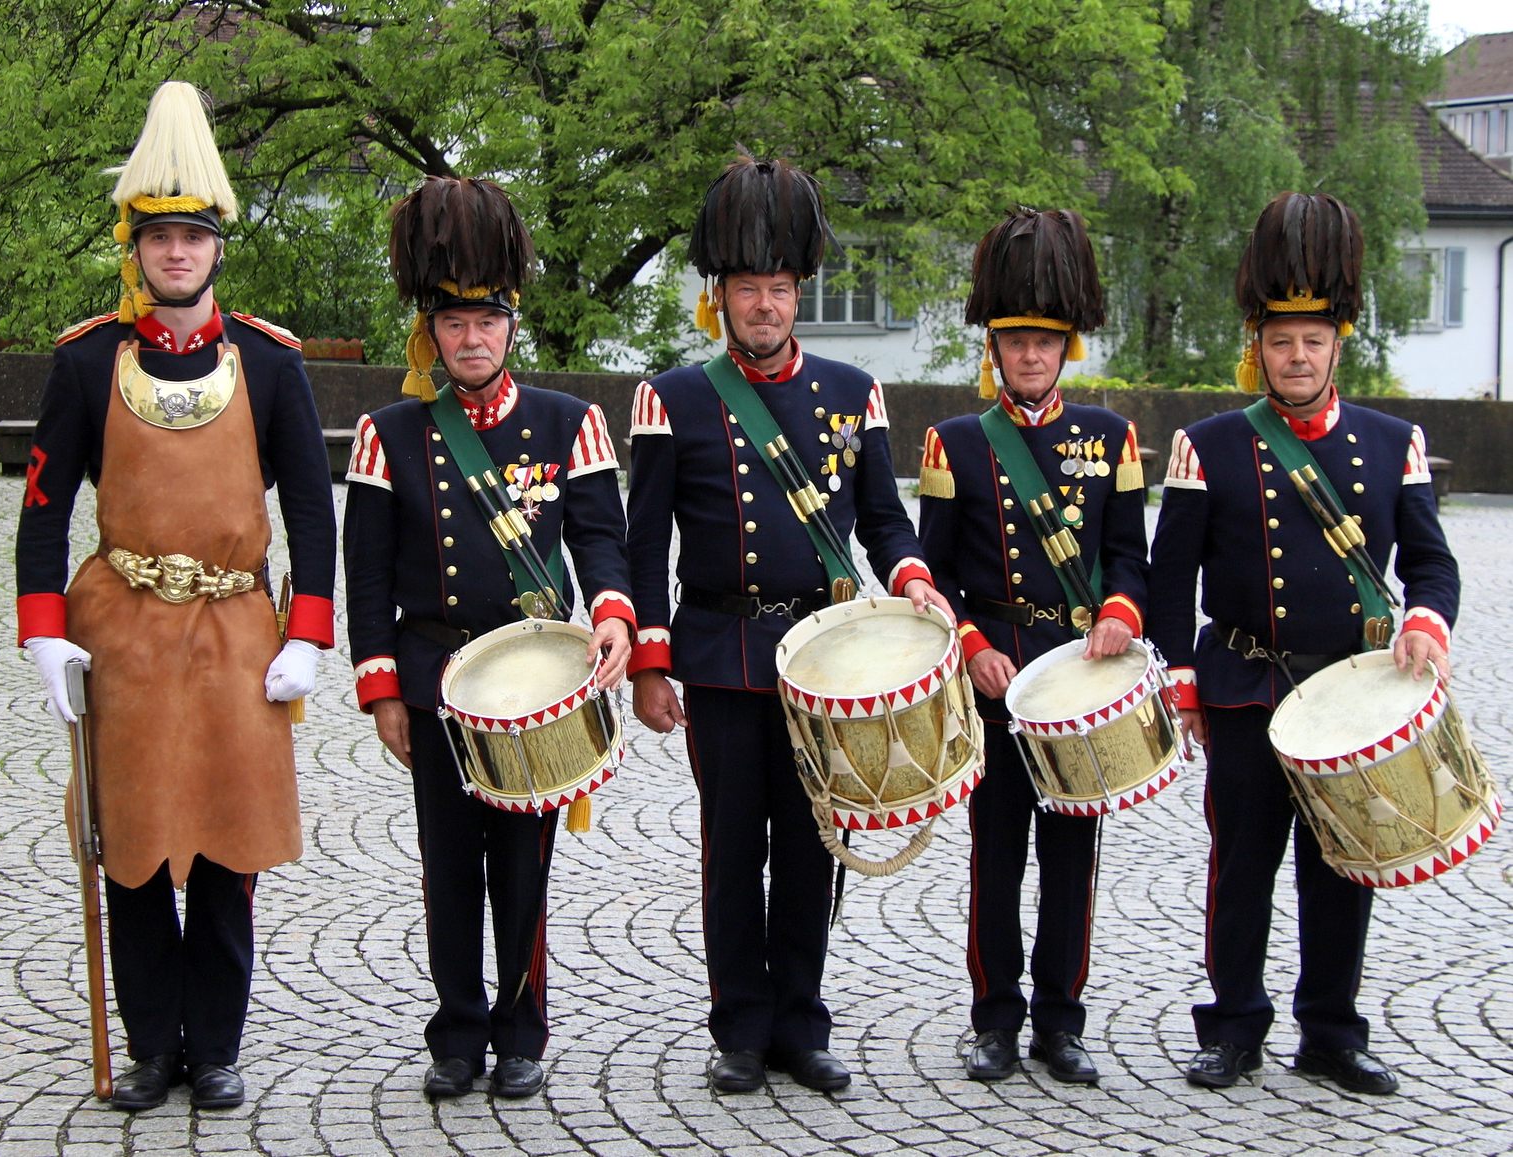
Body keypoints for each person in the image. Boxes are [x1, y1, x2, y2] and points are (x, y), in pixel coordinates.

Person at [14, 82, 337, 1112]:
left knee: (231, 843)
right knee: (134, 842)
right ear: (136, 248)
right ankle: (154, 1044)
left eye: (193, 237)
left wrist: (311, 633)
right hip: (124, 630)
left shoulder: (275, 366)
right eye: (160, 239)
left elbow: (315, 516)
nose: (178, 255)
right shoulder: (83, 363)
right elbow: (42, 508)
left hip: (238, 628)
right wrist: (44, 635)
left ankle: (221, 1042)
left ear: (217, 247)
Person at [626, 156, 951, 1095]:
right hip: (723, 656)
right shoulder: (673, 397)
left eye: (778, 288)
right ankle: (739, 1026)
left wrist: (916, 576)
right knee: (734, 848)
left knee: (814, 846)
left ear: (797, 291)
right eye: (746, 289)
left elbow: (883, 519)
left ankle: (803, 1023)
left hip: (824, 661)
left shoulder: (854, 390)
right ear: (717, 295)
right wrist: (652, 661)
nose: (764, 305)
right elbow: (647, 545)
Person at [1147, 191, 1460, 1095]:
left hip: (1351, 694)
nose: (1296, 357)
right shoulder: (1207, 445)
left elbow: (1433, 567)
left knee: (1343, 868)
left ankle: (1330, 1027)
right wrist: (1183, 681)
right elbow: (1173, 580)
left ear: (1336, 345)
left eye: (1312, 341)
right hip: (1246, 685)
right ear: (1260, 347)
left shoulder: (1392, 442)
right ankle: (1235, 1025)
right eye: (1281, 342)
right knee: (1241, 867)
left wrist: (1425, 623)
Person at [343, 176, 634, 1102]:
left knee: (523, 859)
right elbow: (368, 574)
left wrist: (617, 611)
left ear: (512, 325)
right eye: (453, 324)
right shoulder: (385, 433)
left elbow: (598, 538)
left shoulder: (569, 422)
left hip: (531, 682)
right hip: (432, 681)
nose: (471, 339)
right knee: (447, 862)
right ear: (429, 333)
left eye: (487, 322)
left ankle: (521, 1027)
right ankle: (457, 1032)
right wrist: (382, 687)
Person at [917, 208, 1149, 1086]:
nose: (1031, 357)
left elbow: (1130, 555)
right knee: (996, 853)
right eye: (1015, 341)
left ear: (1067, 344)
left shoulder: (1110, 438)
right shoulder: (957, 442)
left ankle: (1062, 1018)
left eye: (1046, 341)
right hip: (995, 678)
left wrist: (1122, 611)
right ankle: (994, 1018)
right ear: (995, 344)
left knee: (1073, 856)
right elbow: (931, 577)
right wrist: (970, 643)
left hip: (1079, 678)